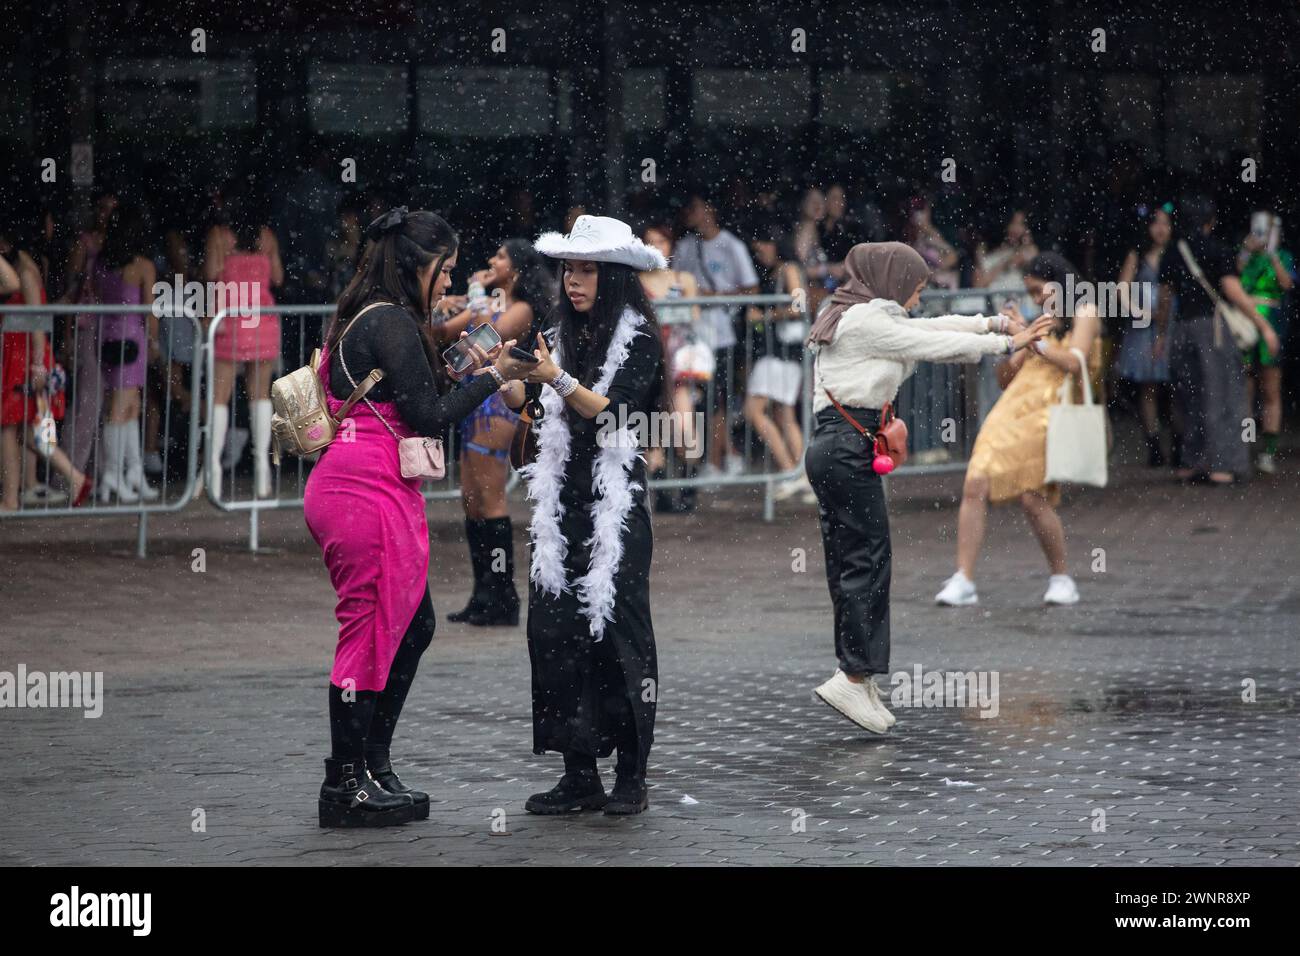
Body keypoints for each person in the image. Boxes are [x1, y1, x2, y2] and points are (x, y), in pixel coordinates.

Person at [304, 207, 533, 828]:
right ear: (417, 264)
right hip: (365, 488)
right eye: (445, 269)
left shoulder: (369, 315)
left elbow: (414, 396)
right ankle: (345, 783)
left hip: (368, 483)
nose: (448, 282)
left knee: (413, 624)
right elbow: (430, 415)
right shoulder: (391, 322)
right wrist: (493, 376)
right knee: (371, 632)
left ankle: (371, 766)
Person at [807, 242, 1048, 732]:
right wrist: (1006, 344)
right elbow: (931, 345)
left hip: (841, 447)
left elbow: (927, 328)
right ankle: (853, 677)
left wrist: (995, 325)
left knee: (856, 560)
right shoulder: (862, 321)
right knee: (865, 561)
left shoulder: (862, 312)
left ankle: (859, 675)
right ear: (891, 280)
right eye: (915, 290)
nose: (917, 299)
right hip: (845, 447)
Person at [503, 215, 665, 815]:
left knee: (617, 637)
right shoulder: (555, 329)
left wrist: (557, 377)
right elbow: (533, 404)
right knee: (553, 634)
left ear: (616, 276)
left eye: (588, 270)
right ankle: (578, 773)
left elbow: (614, 414)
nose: (574, 280)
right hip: (559, 506)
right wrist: (508, 378)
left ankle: (631, 774)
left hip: (615, 511)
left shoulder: (640, 335)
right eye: (570, 268)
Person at [936, 253, 1103, 609]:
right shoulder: (1040, 320)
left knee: (1032, 497)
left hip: (1050, 413)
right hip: (1012, 411)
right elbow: (1004, 378)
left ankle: (1061, 577)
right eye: (1031, 292)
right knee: (975, 481)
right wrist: (1017, 341)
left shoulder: (1084, 313)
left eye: (1039, 290)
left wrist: (1031, 339)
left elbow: (1075, 362)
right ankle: (963, 577)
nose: (1036, 299)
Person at [436, 239, 554, 626]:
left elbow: (482, 340)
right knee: (470, 498)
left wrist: (471, 298)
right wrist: (450, 305)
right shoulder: (492, 301)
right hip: (474, 400)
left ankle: (504, 597)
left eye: (500, 256)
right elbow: (443, 333)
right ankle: (482, 593)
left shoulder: (521, 307)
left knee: (490, 497)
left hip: (496, 404)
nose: (491, 259)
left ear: (518, 268)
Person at [1158, 197, 1277, 486]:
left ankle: (1191, 462)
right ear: (1210, 221)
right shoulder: (1217, 248)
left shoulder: (1173, 251)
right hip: (1213, 330)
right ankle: (1221, 466)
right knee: (1222, 395)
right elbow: (1231, 289)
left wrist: (1162, 334)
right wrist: (1263, 325)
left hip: (1182, 329)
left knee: (1190, 397)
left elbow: (1165, 297)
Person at [0, 225, 89, 509]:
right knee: (28, 430)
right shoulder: (29, 268)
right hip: (23, 354)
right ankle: (74, 479)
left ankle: (12, 499)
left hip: (25, 357)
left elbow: (36, 319)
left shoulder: (25, 272)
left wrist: (38, 364)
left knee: (13, 428)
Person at [672, 193, 759, 479]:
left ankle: (718, 458)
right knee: (696, 399)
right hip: (690, 335)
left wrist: (714, 296)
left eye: (695, 207)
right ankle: (704, 460)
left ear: (709, 209)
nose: (690, 213)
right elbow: (674, 283)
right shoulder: (685, 246)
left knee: (718, 399)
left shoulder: (731, 245)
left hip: (721, 334)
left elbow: (751, 288)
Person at [204, 195, 283, 500]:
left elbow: (211, 274)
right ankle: (262, 467)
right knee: (260, 394)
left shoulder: (219, 236)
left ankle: (213, 470)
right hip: (262, 318)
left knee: (219, 397)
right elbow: (277, 276)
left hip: (232, 318)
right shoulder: (266, 236)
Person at [87, 203, 161, 504]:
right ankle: (113, 474)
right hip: (132, 339)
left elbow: (95, 295)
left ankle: (132, 472)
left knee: (127, 407)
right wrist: (154, 343)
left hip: (106, 336)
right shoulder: (142, 266)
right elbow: (150, 310)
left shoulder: (101, 264)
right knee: (122, 408)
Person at [638, 222, 703, 514]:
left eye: (662, 242)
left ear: (671, 246)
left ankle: (688, 491)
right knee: (653, 430)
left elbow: (695, 315)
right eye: (651, 242)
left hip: (677, 362)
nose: (657, 248)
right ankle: (663, 495)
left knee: (685, 427)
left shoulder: (683, 278)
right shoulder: (636, 280)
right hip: (648, 362)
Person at [743, 228, 809, 500]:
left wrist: (766, 315)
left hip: (782, 353)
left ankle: (790, 471)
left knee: (755, 411)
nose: (761, 252)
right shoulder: (779, 270)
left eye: (764, 246)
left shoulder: (788, 269)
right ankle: (801, 474)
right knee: (785, 415)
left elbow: (798, 306)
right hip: (782, 353)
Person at [1114, 204, 1175, 466]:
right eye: (1156, 223)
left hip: (1172, 323)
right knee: (1148, 386)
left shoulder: (1177, 255)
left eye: (1166, 223)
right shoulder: (1137, 255)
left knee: (1176, 385)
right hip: (1143, 326)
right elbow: (1121, 289)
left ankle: (1180, 441)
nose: (1161, 229)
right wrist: (1140, 312)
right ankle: (1154, 443)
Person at [1237, 210, 1294, 475]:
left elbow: (1286, 284)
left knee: (1271, 388)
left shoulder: (1282, 256)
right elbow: (1233, 277)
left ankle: (1268, 451)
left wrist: (1271, 252)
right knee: (1245, 388)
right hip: (1246, 323)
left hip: (1272, 323)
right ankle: (1244, 447)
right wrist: (1248, 251)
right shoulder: (1246, 255)